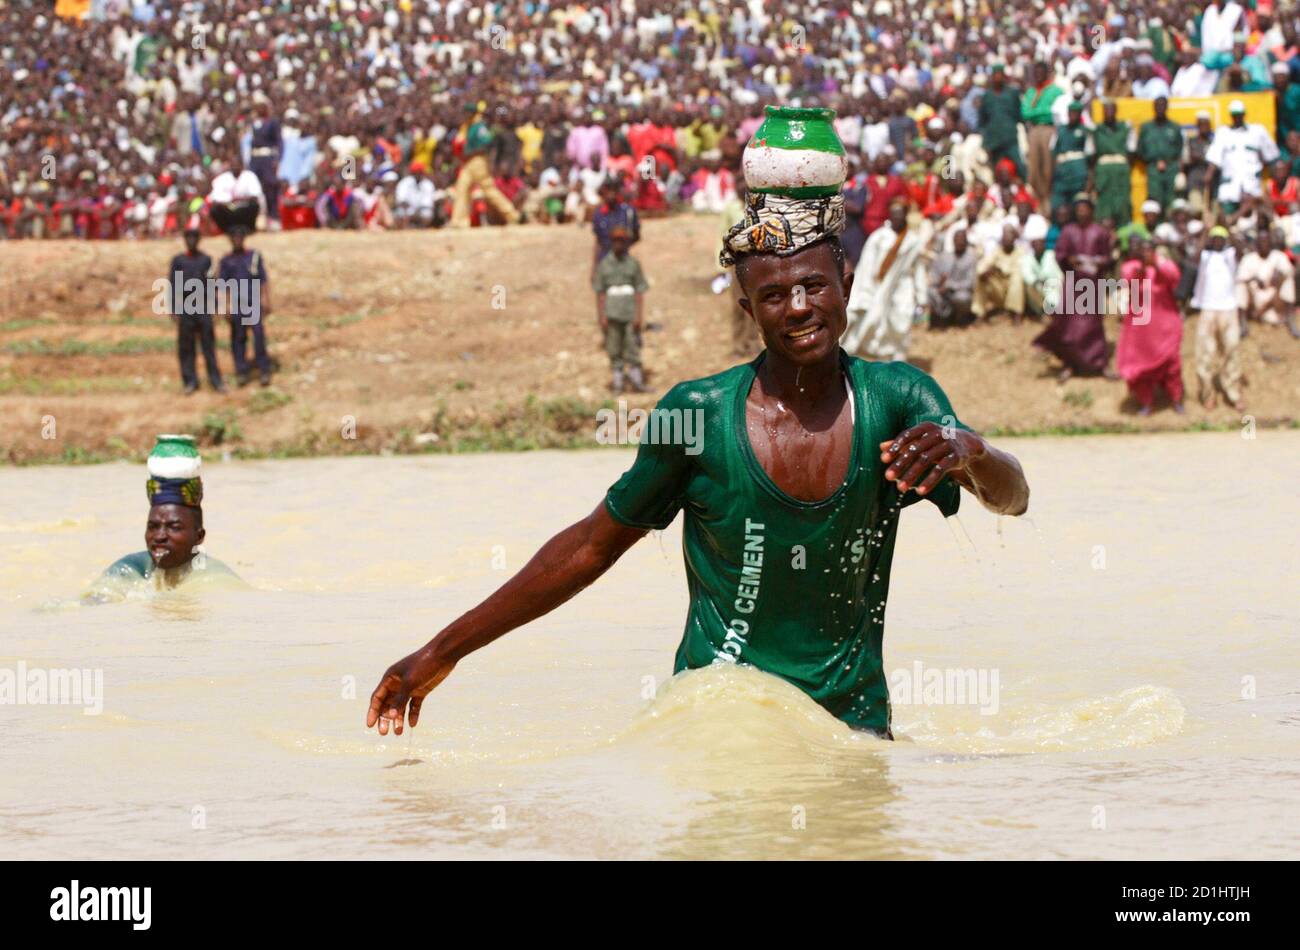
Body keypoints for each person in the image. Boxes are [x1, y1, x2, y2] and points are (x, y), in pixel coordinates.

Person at [364, 115, 1030, 740]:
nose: (799, 308)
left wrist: (968, 452)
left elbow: (1013, 497)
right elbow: (591, 547)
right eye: (773, 295)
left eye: (814, 287)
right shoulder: (699, 417)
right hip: (721, 732)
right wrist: (440, 652)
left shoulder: (899, 400)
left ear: (845, 286)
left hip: (853, 736)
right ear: (749, 309)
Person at [83, 435, 239, 604]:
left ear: (199, 536)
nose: (159, 536)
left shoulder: (215, 579)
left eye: (174, 527)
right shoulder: (131, 568)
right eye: (153, 526)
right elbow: (92, 603)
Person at [1037, 194, 1113, 380]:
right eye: (1078, 209)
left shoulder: (1100, 232)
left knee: (1093, 324)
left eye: (1085, 208)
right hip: (1073, 281)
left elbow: (1109, 256)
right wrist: (1070, 260)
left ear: (1091, 211)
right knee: (1069, 325)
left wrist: (1099, 262)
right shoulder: (1068, 231)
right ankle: (1070, 363)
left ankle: (1099, 363)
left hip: (1093, 284)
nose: (1082, 212)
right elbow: (1060, 253)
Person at [844, 198, 927, 360]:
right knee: (868, 320)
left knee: (901, 319)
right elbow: (867, 265)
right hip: (876, 285)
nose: (897, 218)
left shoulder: (913, 240)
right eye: (894, 215)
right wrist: (864, 290)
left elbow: (918, 270)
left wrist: (922, 297)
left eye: (900, 215)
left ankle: (898, 357)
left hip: (902, 286)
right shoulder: (879, 237)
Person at [1117, 238, 1185, 415]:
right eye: (1143, 250)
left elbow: (1175, 278)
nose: (1146, 253)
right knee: (1142, 368)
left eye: (1149, 250)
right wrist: (1141, 270)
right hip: (1141, 329)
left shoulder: (1164, 265)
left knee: (1172, 364)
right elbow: (1127, 279)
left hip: (1166, 326)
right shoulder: (1131, 267)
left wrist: (1157, 265)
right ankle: (1146, 402)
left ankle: (1176, 398)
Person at [1191, 226, 1245, 410]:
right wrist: (1205, 232)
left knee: (1232, 350)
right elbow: (1194, 258)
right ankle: (1207, 394)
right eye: (1214, 238)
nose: (1217, 241)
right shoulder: (1205, 257)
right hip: (1208, 309)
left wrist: (1228, 227)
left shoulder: (1230, 255)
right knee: (1205, 354)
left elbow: (1240, 250)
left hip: (1228, 308)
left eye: (1220, 238)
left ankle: (1234, 393)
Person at [167, 229, 225, 395]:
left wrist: (215, 306)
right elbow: (173, 285)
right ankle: (190, 381)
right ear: (185, 240)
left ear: (198, 240)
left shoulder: (205, 260)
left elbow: (212, 284)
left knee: (208, 346)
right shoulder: (178, 261)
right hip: (185, 308)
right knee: (186, 347)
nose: (191, 241)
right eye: (188, 237)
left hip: (203, 306)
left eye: (194, 237)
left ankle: (216, 381)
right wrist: (173, 309)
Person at [592, 226, 648, 394]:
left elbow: (639, 290)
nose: (619, 244)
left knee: (632, 345)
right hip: (612, 311)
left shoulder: (633, 264)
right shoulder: (604, 265)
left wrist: (639, 315)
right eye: (615, 240)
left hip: (629, 310)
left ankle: (636, 380)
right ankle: (618, 382)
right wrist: (601, 316)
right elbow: (600, 292)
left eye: (622, 240)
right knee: (614, 347)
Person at [218, 226, 273, 387]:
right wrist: (224, 306)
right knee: (238, 339)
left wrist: (266, 300)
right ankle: (241, 371)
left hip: (253, 302)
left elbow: (263, 280)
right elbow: (221, 285)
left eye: (239, 237)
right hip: (237, 305)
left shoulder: (253, 257)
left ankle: (264, 370)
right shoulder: (226, 260)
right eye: (234, 237)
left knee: (259, 337)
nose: (237, 240)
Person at [450, 104, 521, 228]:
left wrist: (471, 153)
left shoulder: (479, 126)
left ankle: (512, 215)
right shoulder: (469, 126)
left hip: (478, 161)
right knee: (462, 188)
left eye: (466, 113)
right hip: (469, 163)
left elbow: (486, 143)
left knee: (489, 190)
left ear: (471, 113)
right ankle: (458, 221)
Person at [1206, 99, 1280, 215]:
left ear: (1244, 114)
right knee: (1227, 217)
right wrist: (1209, 176)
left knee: (1255, 217)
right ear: (1231, 116)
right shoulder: (1223, 133)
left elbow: (1272, 156)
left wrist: (1272, 181)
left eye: (1239, 115)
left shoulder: (1257, 131)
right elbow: (1214, 158)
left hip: (1252, 185)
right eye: (1235, 115)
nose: (1237, 118)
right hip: (1230, 187)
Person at [1236, 229, 1296, 330]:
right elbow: (1241, 278)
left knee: (1288, 282)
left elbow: (1289, 271)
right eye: (1261, 241)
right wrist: (1253, 279)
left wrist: (1279, 276)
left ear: (1270, 243)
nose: (1264, 244)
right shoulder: (1248, 258)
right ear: (1257, 244)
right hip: (1255, 299)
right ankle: (1242, 322)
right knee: (1240, 286)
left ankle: (1290, 319)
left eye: (1266, 241)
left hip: (1273, 300)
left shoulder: (1278, 256)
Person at [1021, 61, 1061, 205]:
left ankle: (1049, 198)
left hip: (1049, 129)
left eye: (1040, 72)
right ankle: (1039, 200)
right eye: (1035, 73)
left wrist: (1036, 112)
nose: (1038, 76)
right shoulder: (1031, 92)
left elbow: (1055, 113)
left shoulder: (1055, 91)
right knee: (1033, 167)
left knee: (1048, 166)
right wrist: (1042, 112)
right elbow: (1025, 113)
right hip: (1034, 131)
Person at [978, 64, 1025, 180]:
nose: (997, 78)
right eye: (995, 75)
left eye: (1000, 75)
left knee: (1020, 167)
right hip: (994, 141)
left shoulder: (1012, 93)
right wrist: (986, 140)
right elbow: (982, 121)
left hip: (1010, 138)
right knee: (997, 170)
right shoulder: (987, 96)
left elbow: (1018, 114)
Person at [1138, 97, 1184, 213]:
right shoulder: (1146, 128)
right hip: (1153, 168)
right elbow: (1140, 149)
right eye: (1157, 106)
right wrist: (1153, 160)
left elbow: (1180, 148)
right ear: (1153, 108)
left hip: (1171, 167)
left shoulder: (1174, 127)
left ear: (1167, 108)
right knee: (1154, 199)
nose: (1160, 109)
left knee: (1171, 199)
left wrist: (1169, 162)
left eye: (1162, 106)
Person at [973, 222, 1028, 322]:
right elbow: (982, 266)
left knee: (1017, 278)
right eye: (1004, 237)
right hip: (999, 289)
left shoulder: (1021, 252)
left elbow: (1019, 270)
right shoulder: (996, 251)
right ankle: (979, 314)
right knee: (981, 278)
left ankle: (1016, 313)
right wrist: (986, 272)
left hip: (1014, 290)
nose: (1007, 240)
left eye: (1009, 237)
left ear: (1014, 239)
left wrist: (999, 269)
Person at [1093, 99, 1135, 227]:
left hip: (1120, 169)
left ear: (1116, 111)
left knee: (1122, 201)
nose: (1109, 112)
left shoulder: (1125, 127)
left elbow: (1132, 150)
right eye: (1106, 109)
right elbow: (1091, 153)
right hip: (1103, 170)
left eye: (1111, 109)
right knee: (1104, 202)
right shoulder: (1097, 130)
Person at [928, 227, 980, 329]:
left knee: (962, 298)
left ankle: (960, 319)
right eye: (957, 239)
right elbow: (933, 276)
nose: (959, 242)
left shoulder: (971, 258)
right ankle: (942, 320)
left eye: (962, 240)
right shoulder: (943, 257)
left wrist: (949, 285)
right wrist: (939, 282)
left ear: (966, 242)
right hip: (942, 291)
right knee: (930, 292)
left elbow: (970, 283)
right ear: (953, 241)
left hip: (959, 292)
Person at [1050, 101, 1092, 212]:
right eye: (1070, 113)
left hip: (1078, 171)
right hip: (1062, 172)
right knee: (1058, 205)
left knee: (1076, 204)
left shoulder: (1085, 131)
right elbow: (1053, 152)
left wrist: (1089, 179)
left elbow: (1090, 155)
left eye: (1075, 113)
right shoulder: (1060, 130)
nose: (1072, 115)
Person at [207, 153, 264, 234]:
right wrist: (227, 201)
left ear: (241, 165)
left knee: (254, 205)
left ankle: (249, 229)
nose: (235, 167)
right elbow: (214, 197)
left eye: (237, 164)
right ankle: (227, 231)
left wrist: (238, 199)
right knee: (214, 209)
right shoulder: (222, 178)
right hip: (228, 208)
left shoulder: (250, 176)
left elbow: (255, 195)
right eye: (233, 164)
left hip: (244, 208)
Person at [1020, 217, 1063, 318]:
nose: (1038, 246)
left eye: (1041, 244)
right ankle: (1040, 314)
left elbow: (1059, 275)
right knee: (1031, 290)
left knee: (1055, 299)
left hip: (1053, 287)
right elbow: (1027, 275)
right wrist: (1037, 281)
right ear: (1032, 245)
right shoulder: (1027, 258)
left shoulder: (1051, 255)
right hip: (1037, 287)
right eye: (1036, 244)